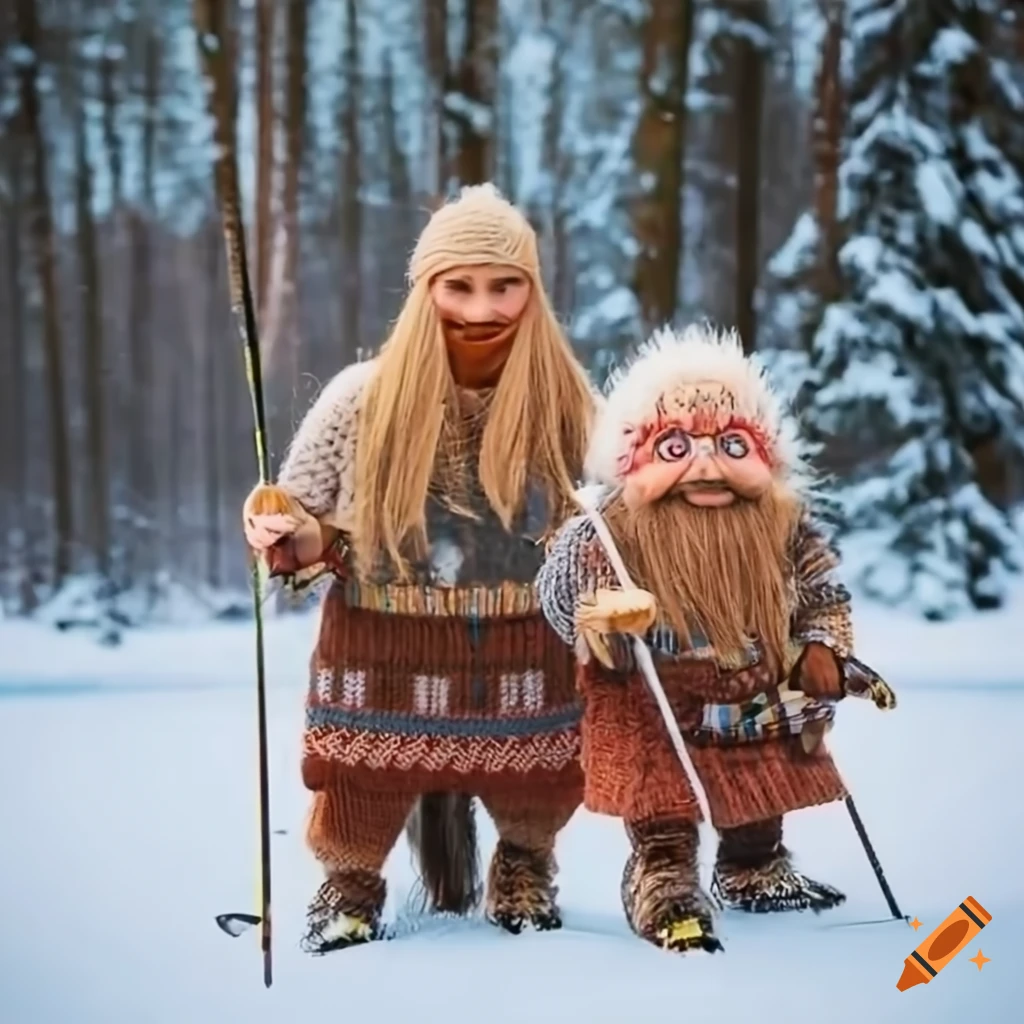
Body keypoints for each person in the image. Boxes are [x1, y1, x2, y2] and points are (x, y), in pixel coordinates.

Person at [242, 184, 597, 953]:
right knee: (361, 781)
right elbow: (303, 520)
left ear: (533, 291)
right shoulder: (357, 400)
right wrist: (280, 527)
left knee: (535, 777)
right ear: (425, 287)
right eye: (458, 285)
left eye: (505, 285)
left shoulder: (574, 405)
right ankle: (349, 885)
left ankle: (526, 864)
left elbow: (606, 522)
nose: (480, 307)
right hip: (381, 645)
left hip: (524, 648)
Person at [536, 324, 895, 954]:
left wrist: (819, 645)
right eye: (675, 447)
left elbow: (821, 590)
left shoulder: (780, 523)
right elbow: (559, 596)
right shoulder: (613, 528)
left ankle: (754, 867)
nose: (706, 465)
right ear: (635, 459)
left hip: (747, 684)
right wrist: (598, 612)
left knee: (758, 789)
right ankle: (664, 885)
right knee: (664, 804)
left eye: (730, 444)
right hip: (648, 691)